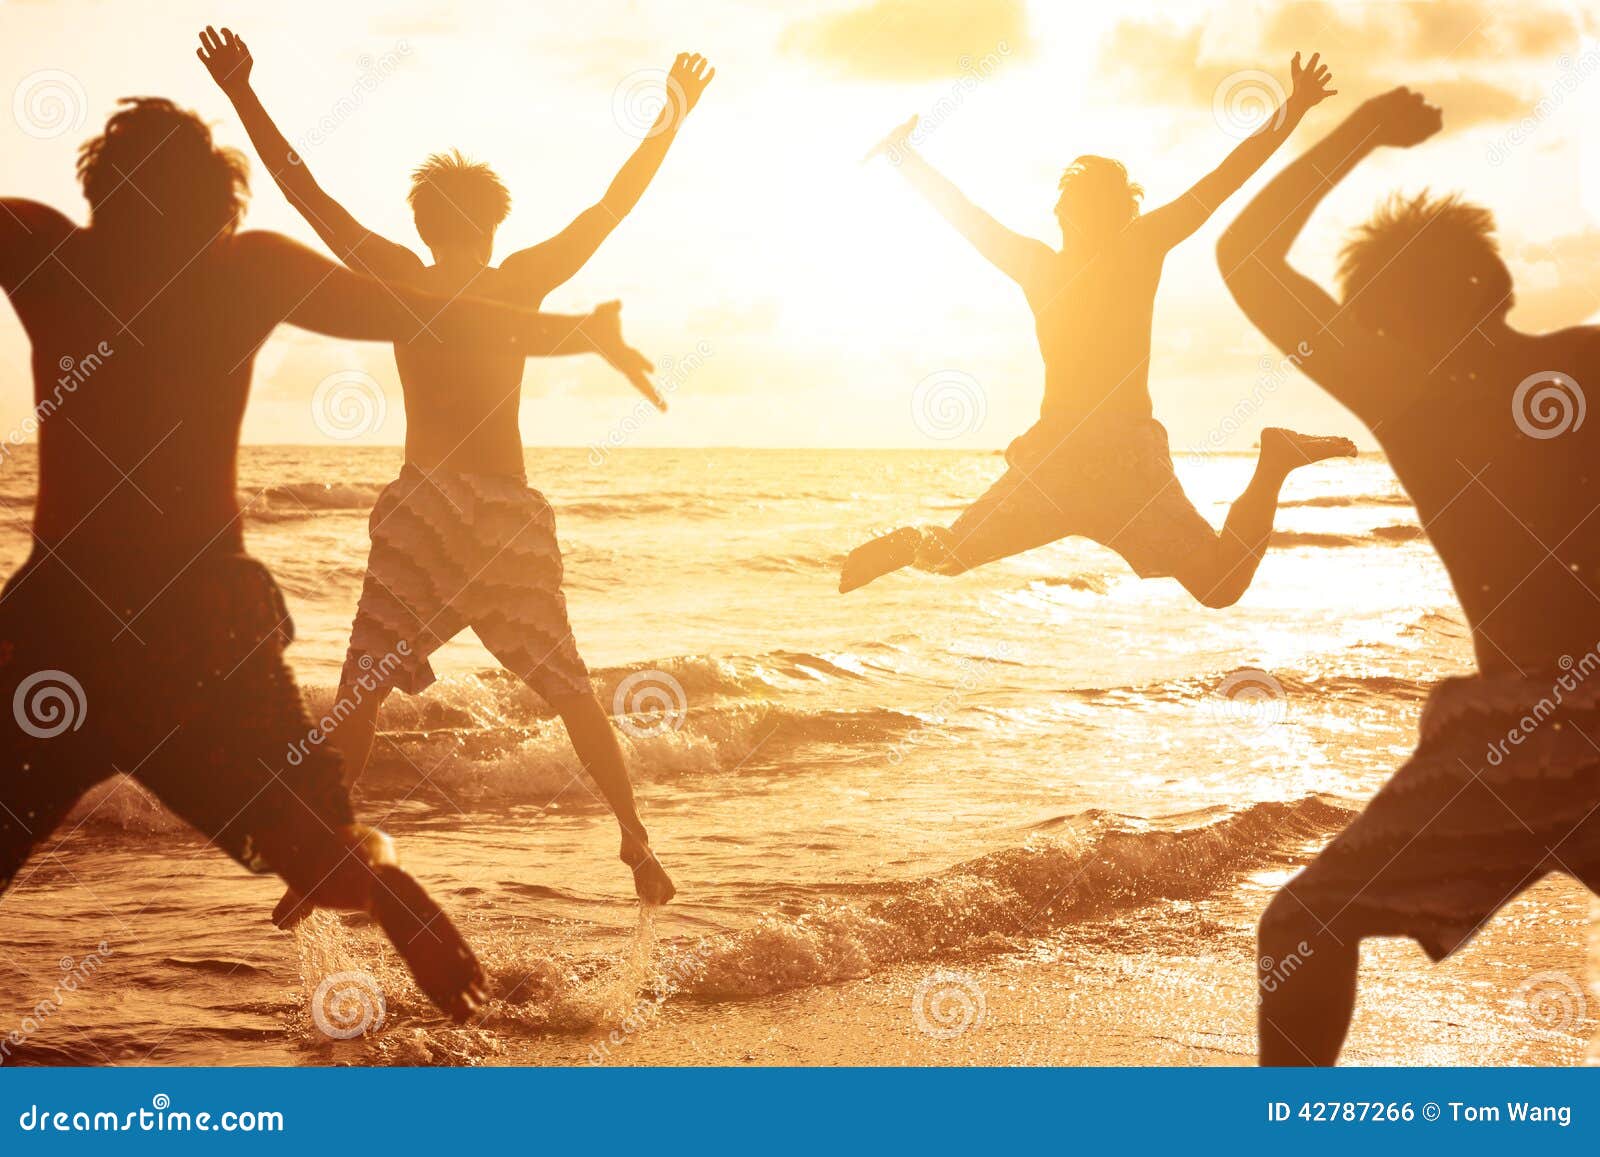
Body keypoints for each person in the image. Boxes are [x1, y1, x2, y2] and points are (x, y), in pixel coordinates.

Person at [0, 96, 658, 1023]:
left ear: (100, 187)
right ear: (214, 205)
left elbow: (396, 272)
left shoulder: (41, 248)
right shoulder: (246, 270)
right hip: (201, 622)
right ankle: (384, 885)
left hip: (58, 623)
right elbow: (437, 316)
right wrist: (578, 333)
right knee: (317, 843)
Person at [196, 27, 711, 917]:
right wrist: (672, 111)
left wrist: (243, 91)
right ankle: (636, 838)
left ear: (424, 225)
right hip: (505, 513)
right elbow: (610, 207)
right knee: (570, 688)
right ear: (495, 223)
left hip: (425, 507)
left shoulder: (397, 276)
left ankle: (321, 854)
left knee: (361, 688)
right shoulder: (521, 281)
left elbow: (306, 194)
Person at [1219, 86, 1600, 1065]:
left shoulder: (1411, 396)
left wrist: (1358, 131)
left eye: (1381, 325)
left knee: (1304, 922)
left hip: (1516, 738)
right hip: (1513, 740)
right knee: (1304, 919)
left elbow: (1244, 258)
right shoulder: (1578, 363)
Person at [842, 53, 1353, 605]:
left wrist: (903, 156)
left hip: (1055, 460)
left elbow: (965, 215)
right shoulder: (1141, 248)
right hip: (1126, 464)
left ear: (1064, 215)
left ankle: (907, 543)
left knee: (948, 554)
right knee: (1220, 583)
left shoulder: (1040, 266)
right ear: (1123, 214)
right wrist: (1294, 105)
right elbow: (1225, 179)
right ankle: (1275, 462)